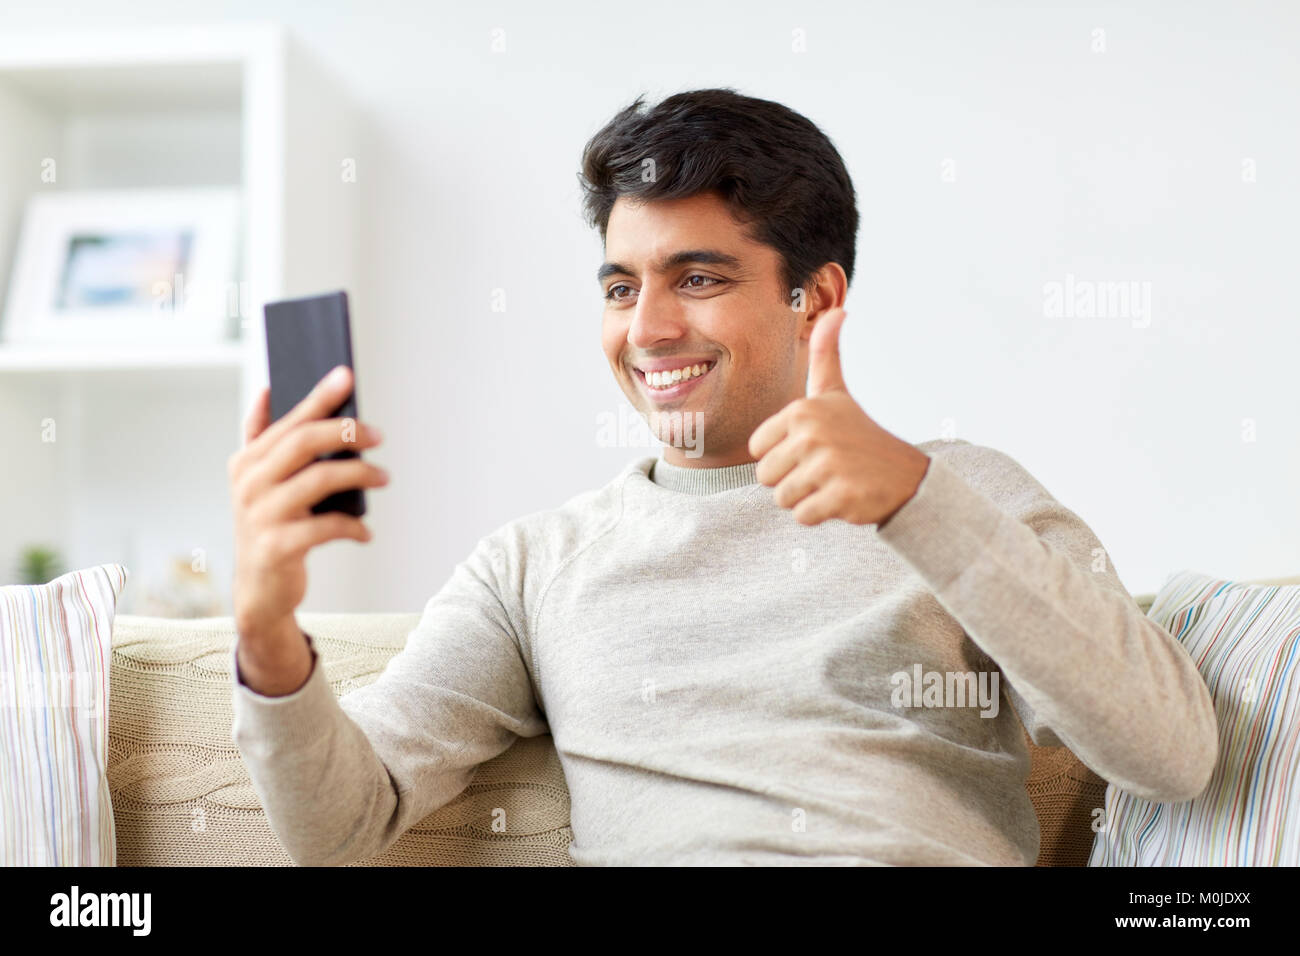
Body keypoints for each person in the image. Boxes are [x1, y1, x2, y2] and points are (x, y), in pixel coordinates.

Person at [227, 87, 1217, 866]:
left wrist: (918, 501)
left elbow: (1170, 753)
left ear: (813, 296)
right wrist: (267, 627)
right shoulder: (532, 565)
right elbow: (342, 819)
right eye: (622, 285)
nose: (647, 328)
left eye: (697, 277)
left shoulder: (965, 494)